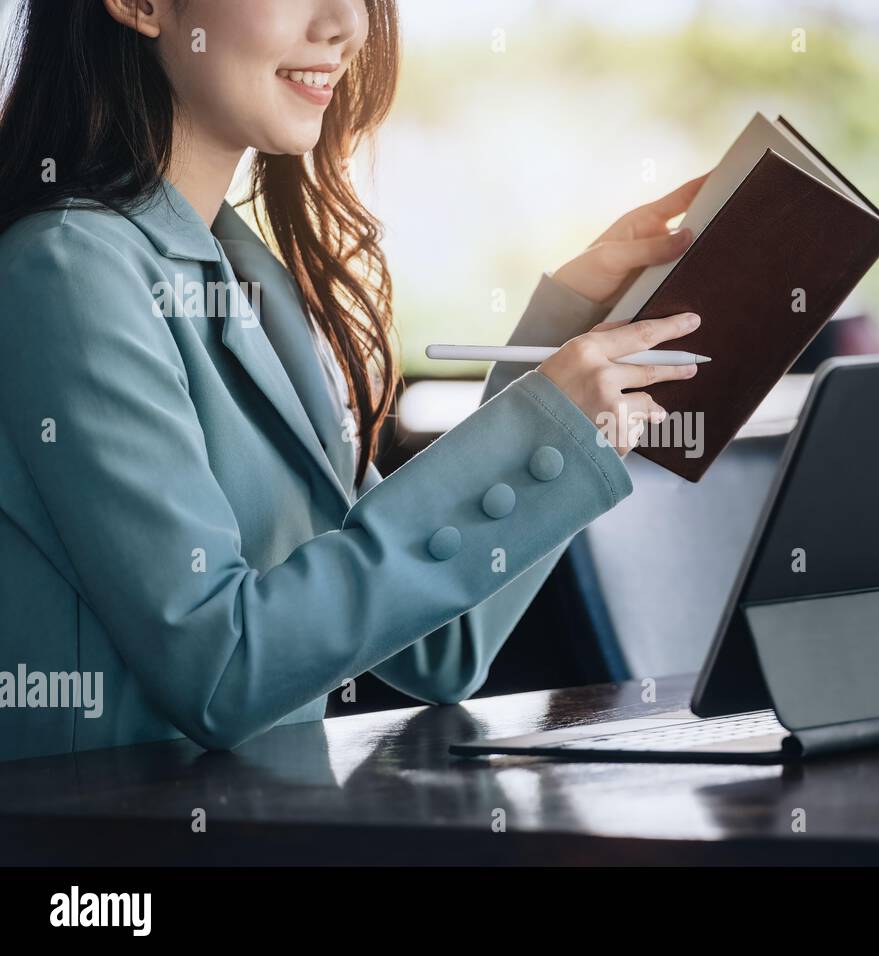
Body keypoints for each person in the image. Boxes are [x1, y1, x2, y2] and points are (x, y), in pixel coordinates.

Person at [0, 0, 703, 761]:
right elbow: (220, 671)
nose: (346, 24)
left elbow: (442, 647)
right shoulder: (66, 268)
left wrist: (567, 330)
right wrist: (543, 434)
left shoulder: (243, 276)